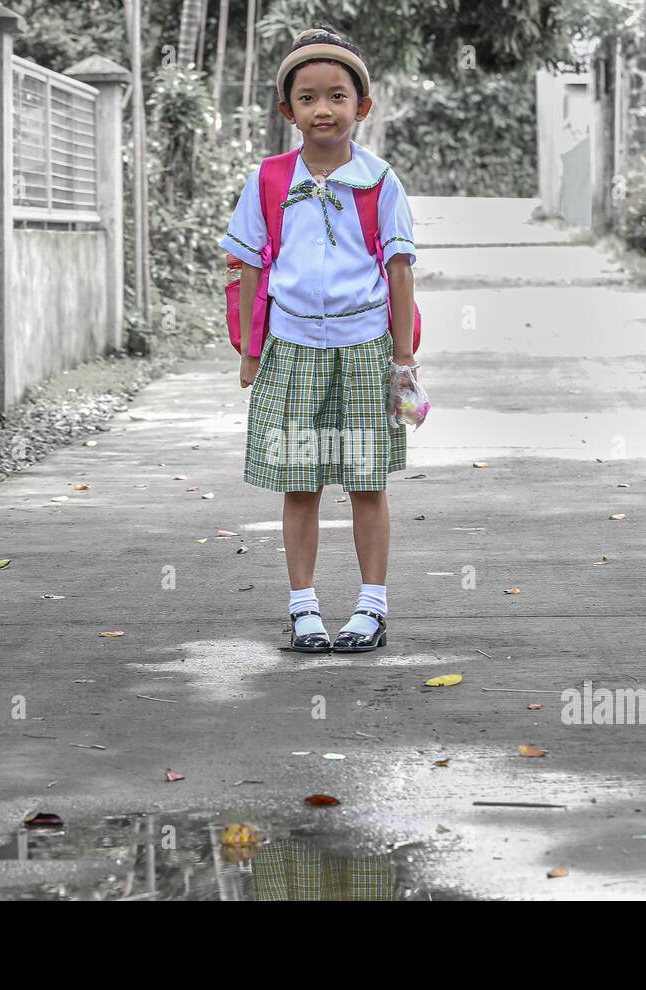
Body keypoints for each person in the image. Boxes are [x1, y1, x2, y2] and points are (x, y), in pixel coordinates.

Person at [219, 25, 419, 654]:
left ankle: (372, 606)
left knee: (367, 480)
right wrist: (252, 351)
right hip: (292, 349)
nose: (322, 109)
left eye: (337, 96)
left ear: (362, 107)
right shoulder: (269, 180)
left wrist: (403, 360)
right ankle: (303, 606)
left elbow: (399, 269)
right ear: (288, 111)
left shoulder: (381, 181)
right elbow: (250, 266)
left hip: (365, 349)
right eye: (307, 98)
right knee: (298, 480)